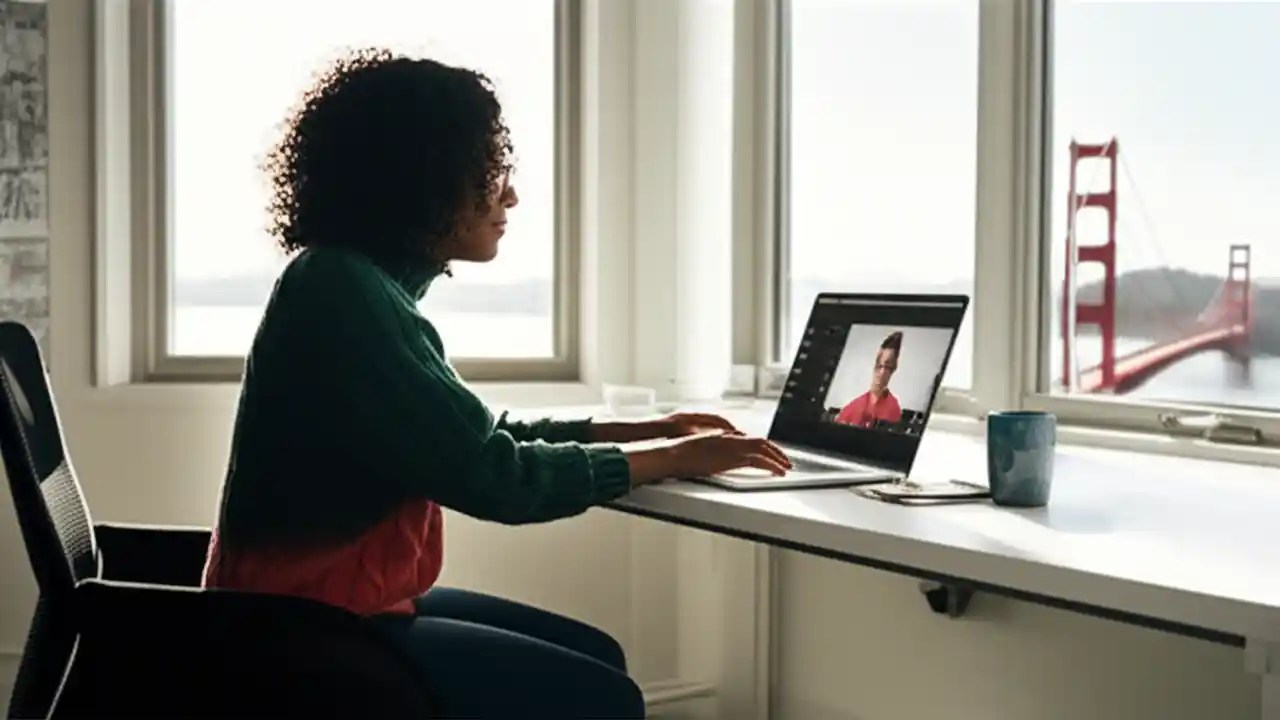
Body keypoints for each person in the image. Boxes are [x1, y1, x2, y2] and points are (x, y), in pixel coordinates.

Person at [200, 48, 791, 719]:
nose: (508, 195)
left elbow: (473, 436)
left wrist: (651, 431)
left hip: (327, 607)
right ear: (423, 179)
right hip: (306, 631)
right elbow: (495, 476)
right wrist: (674, 461)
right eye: (488, 174)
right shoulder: (344, 292)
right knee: (606, 698)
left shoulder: (354, 285)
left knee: (599, 657)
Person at [834, 331, 904, 428]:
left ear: (893, 369)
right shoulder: (857, 404)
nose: (882, 372)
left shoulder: (893, 408)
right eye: (879, 366)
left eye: (887, 368)